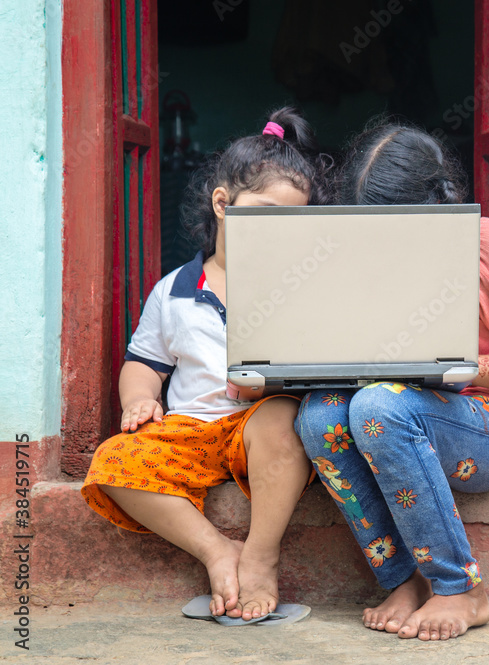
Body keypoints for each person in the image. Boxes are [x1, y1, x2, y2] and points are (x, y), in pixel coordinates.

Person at [294, 119, 489, 641]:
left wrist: (452, 368)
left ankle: (460, 587)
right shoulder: (365, 253)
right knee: (321, 414)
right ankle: (405, 578)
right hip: (401, 407)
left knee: (381, 408)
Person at [81, 108, 329, 622]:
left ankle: (261, 555)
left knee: (285, 419)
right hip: (190, 429)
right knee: (113, 462)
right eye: (264, 213)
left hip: (256, 431)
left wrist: (271, 386)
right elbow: (143, 363)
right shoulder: (172, 291)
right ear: (223, 203)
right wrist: (140, 398)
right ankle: (218, 550)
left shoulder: (300, 288)